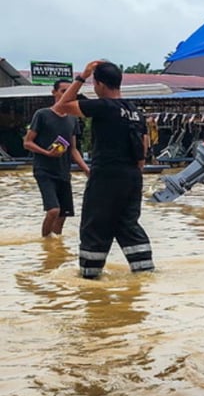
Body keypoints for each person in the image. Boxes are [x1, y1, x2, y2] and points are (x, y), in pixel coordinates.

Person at [52, 60, 154, 279]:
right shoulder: (135, 111)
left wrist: (81, 77)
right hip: (133, 177)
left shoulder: (103, 106)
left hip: (107, 176)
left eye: (93, 83)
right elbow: (142, 150)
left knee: (95, 225)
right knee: (127, 224)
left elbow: (61, 106)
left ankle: (90, 280)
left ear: (99, 84)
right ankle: (145, 273)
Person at [23, 79, 90, 237]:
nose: (66, 94)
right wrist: (47, 153)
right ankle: (45, 243)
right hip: (44, 170)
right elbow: (27, 142)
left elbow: (73, 149)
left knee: (63, 215)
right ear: (54, 93)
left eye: (70, 91)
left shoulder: (72, 118)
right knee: (54, 210)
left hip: (63, 171)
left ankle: (55, 248)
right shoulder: (42, 115)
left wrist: (86, 169)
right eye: (62, 91)